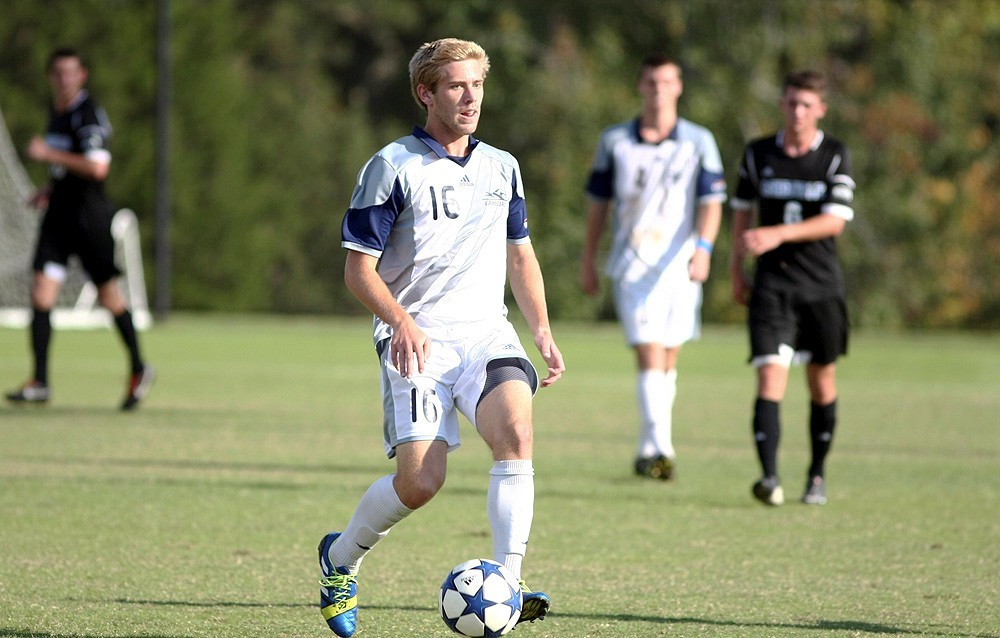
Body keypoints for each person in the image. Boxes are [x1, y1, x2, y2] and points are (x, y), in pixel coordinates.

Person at [317, 38, 565, 637]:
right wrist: (400, 321)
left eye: (477, 84)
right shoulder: (392, 165)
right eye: (456, 85)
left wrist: (542, 330)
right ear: (426, 92)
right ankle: (340, 558)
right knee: (421, 483)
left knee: (516, 430)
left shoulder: (502, 166)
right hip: (418, 341)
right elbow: (358, 270)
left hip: (486, 334)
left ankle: (507, 581)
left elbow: (520, 253)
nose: (470, 97)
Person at [580, 54, 726, 480]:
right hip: (632, 263)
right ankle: (662, 447)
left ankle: (649, 447)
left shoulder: (698, 141)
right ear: (640, 87)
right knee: (649, 352)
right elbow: (598, 205)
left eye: (666, 81)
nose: (658, 89)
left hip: (679, 264)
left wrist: (703, 249)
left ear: (678, 87)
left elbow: (711, 203)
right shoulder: (616, 142)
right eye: (650, 82)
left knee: (669, 356)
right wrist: (589, 257)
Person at [729, 69, 856, 506]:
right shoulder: (759, 153)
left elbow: (835, 221)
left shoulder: (834, 155)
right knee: (769, 375)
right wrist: (735, 268)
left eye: (807, 104)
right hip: (772, 287)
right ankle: (769, 478)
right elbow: (742, 212)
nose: (797, 111)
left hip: (821, 288)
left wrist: (778, 235)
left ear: (820, 109)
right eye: (791, 102)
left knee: (821, 382)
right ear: (781, 105)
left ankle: (816, 475)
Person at [5, 48, 154, 411]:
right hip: (59, 217)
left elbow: (97, 167)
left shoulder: (87, 115)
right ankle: (39, 381)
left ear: (82, 75)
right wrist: (50, 189)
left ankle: (138, 367)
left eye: (70, 72)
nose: (63, 78)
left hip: (89, 220)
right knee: (41, 291)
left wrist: (49, 156)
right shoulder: (56, 113)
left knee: (109, 297)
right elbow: (68, 169)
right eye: (57, 72)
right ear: (50, 76)